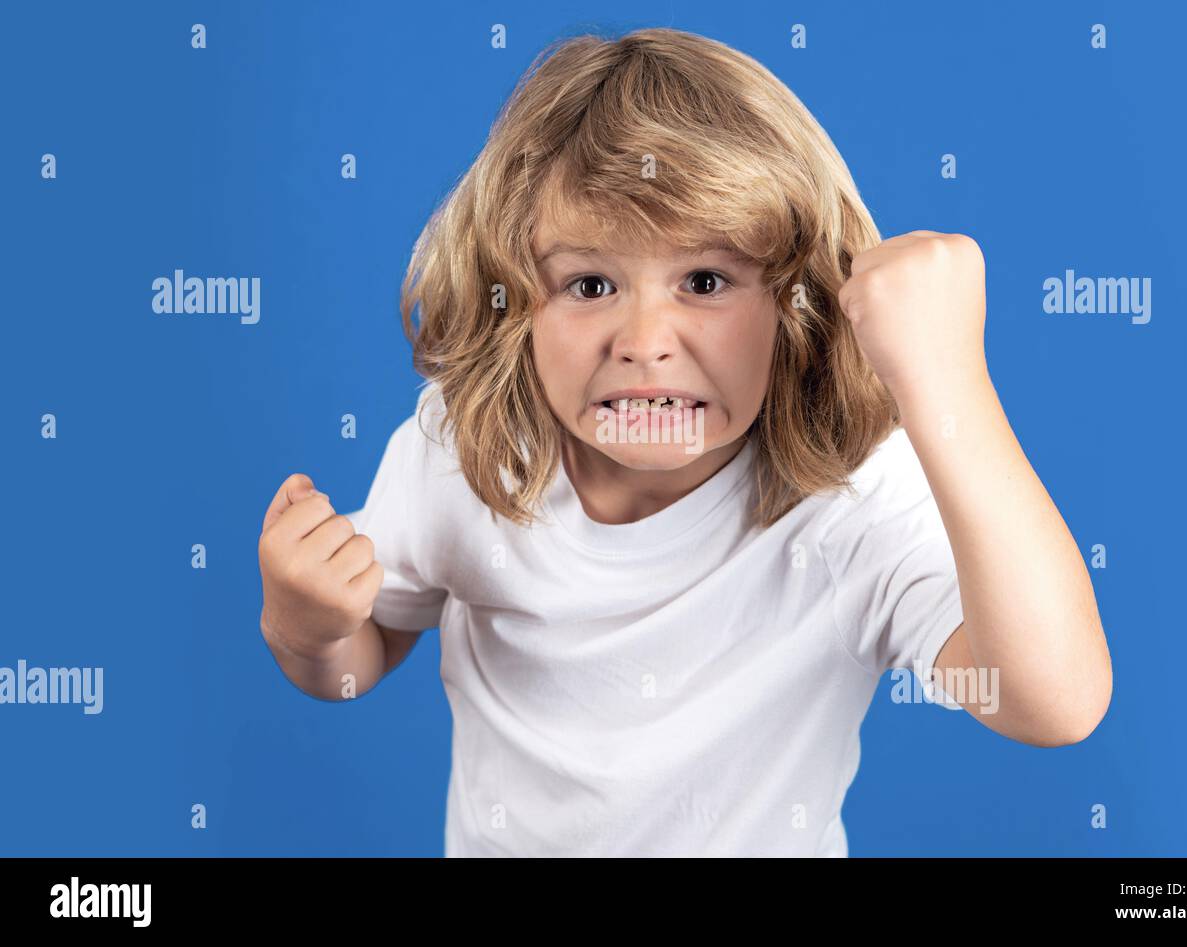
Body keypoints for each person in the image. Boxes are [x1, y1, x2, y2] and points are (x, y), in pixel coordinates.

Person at [257, 27, 1111, 856]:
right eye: (590, 283)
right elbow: (359, 659)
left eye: (705, 280)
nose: (644, 339)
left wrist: (950, 386)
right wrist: (309, 629)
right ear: (514, 302)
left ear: (800, 302)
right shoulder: (471, 448)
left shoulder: (850, 494)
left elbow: (1053, 701)